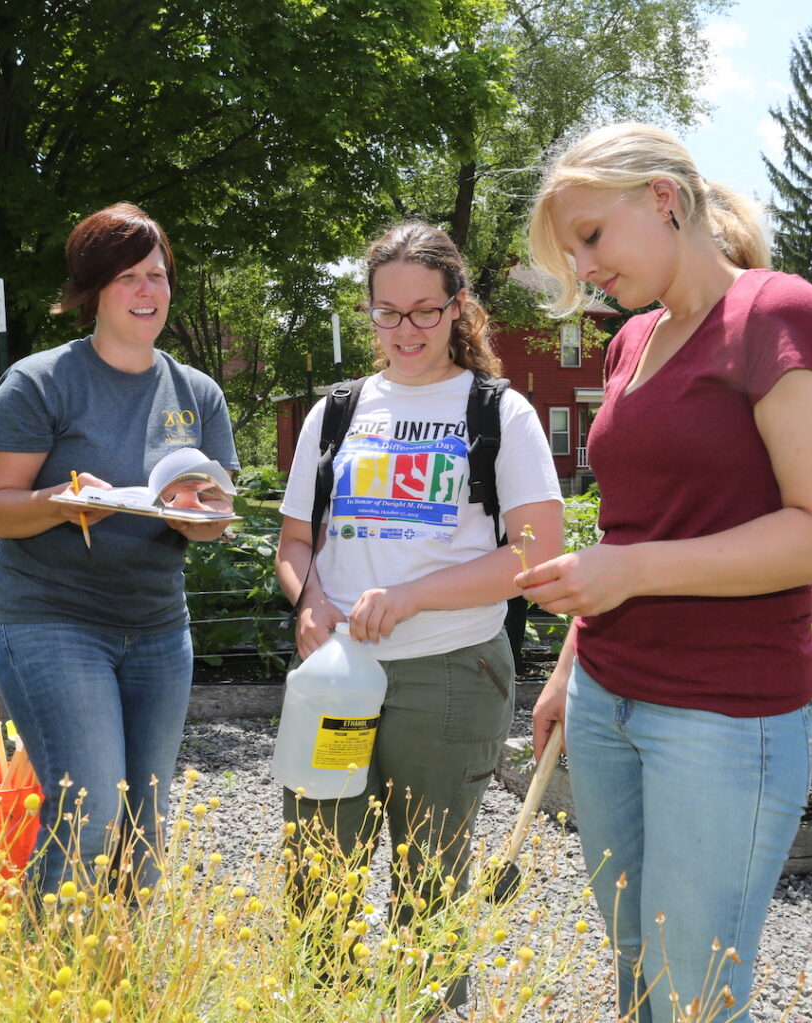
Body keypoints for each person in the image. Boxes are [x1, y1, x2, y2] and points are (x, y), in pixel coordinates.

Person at [518, 123, 812, 1020]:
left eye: (591, 236)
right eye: (571, 250)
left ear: (664, 199)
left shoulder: (777, 312)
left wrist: (630, 571)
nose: (584, 267)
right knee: (637, 969)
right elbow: (633, 528)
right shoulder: (631, 343)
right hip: (606, 700)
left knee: (695, 993)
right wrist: (567, 670)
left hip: (724, 713)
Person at [275, 221, 563, 1005]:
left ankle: (424, 1008)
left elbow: (536, 555)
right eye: (387, 312)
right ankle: (327, 1007)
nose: (406, 331)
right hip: (338, 678)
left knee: (428, 878)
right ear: (367, 310)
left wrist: (411, 597)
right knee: (318, 871)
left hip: (448, 674)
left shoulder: (499, 413)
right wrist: (309, 600)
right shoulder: (334, 413)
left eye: (425, 311)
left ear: (458, 306)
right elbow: (296, 541)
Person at [0, 202, 238, 896]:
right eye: (127, 277)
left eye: (157, 275)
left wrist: (194, 515)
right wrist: (60, 504)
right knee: (89, 810)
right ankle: (54, 986)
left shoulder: (197, 392)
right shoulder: (40, 381)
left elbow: (217, 516)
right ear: (92, 289)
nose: (146, 291)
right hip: (52, 621)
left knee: (144, 824)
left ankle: (121, 977)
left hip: (157, 628)